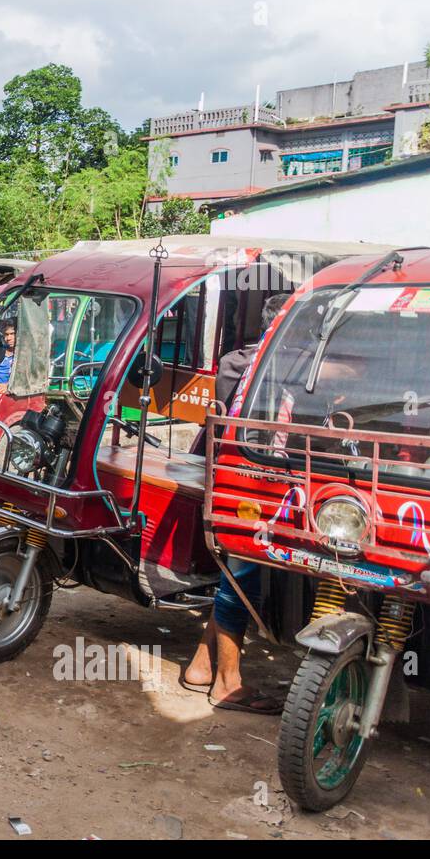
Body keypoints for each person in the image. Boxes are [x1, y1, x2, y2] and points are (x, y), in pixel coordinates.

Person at [182, 293, 290, 714]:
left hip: (227, 478)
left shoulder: (232, 361)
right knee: (240, 577)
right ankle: (228, 683)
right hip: (253, 484)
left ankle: (202, 665)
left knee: (235, 570)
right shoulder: (274, 368)